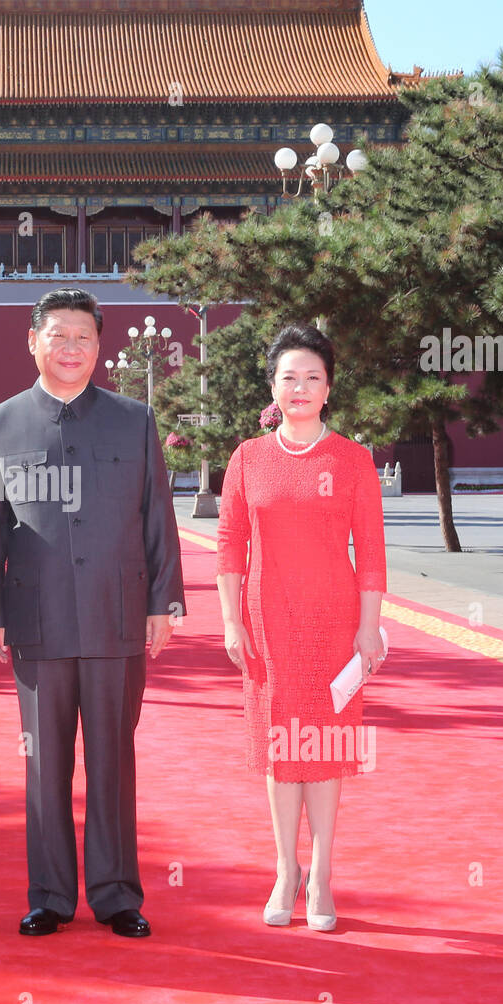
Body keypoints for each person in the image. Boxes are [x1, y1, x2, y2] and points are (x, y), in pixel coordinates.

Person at [0, 287, 185, 938]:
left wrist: (163, 601)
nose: (71, 348)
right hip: (38, 620)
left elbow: (157, 518)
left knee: (113, 759)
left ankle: (117, 892)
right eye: (58, 336)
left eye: (84, 337)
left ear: (100, 346)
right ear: (32, 341)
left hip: (117, 615)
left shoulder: (133, 420)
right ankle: (50, 894)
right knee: (45, 762)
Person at [216, 322, 385, 933]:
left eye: (313, 377)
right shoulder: (247, 459)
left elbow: (370, 551)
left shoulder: (353, 460)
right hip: (267, 622)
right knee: (279, 746)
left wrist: (370, 629)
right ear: (273, 386)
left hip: (335, 622)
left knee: (327, 746)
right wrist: (232, 621)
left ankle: (322, 874)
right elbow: (230, 546)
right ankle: (285, 869)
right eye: (289, 377)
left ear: (329, 387)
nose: (301, 387)